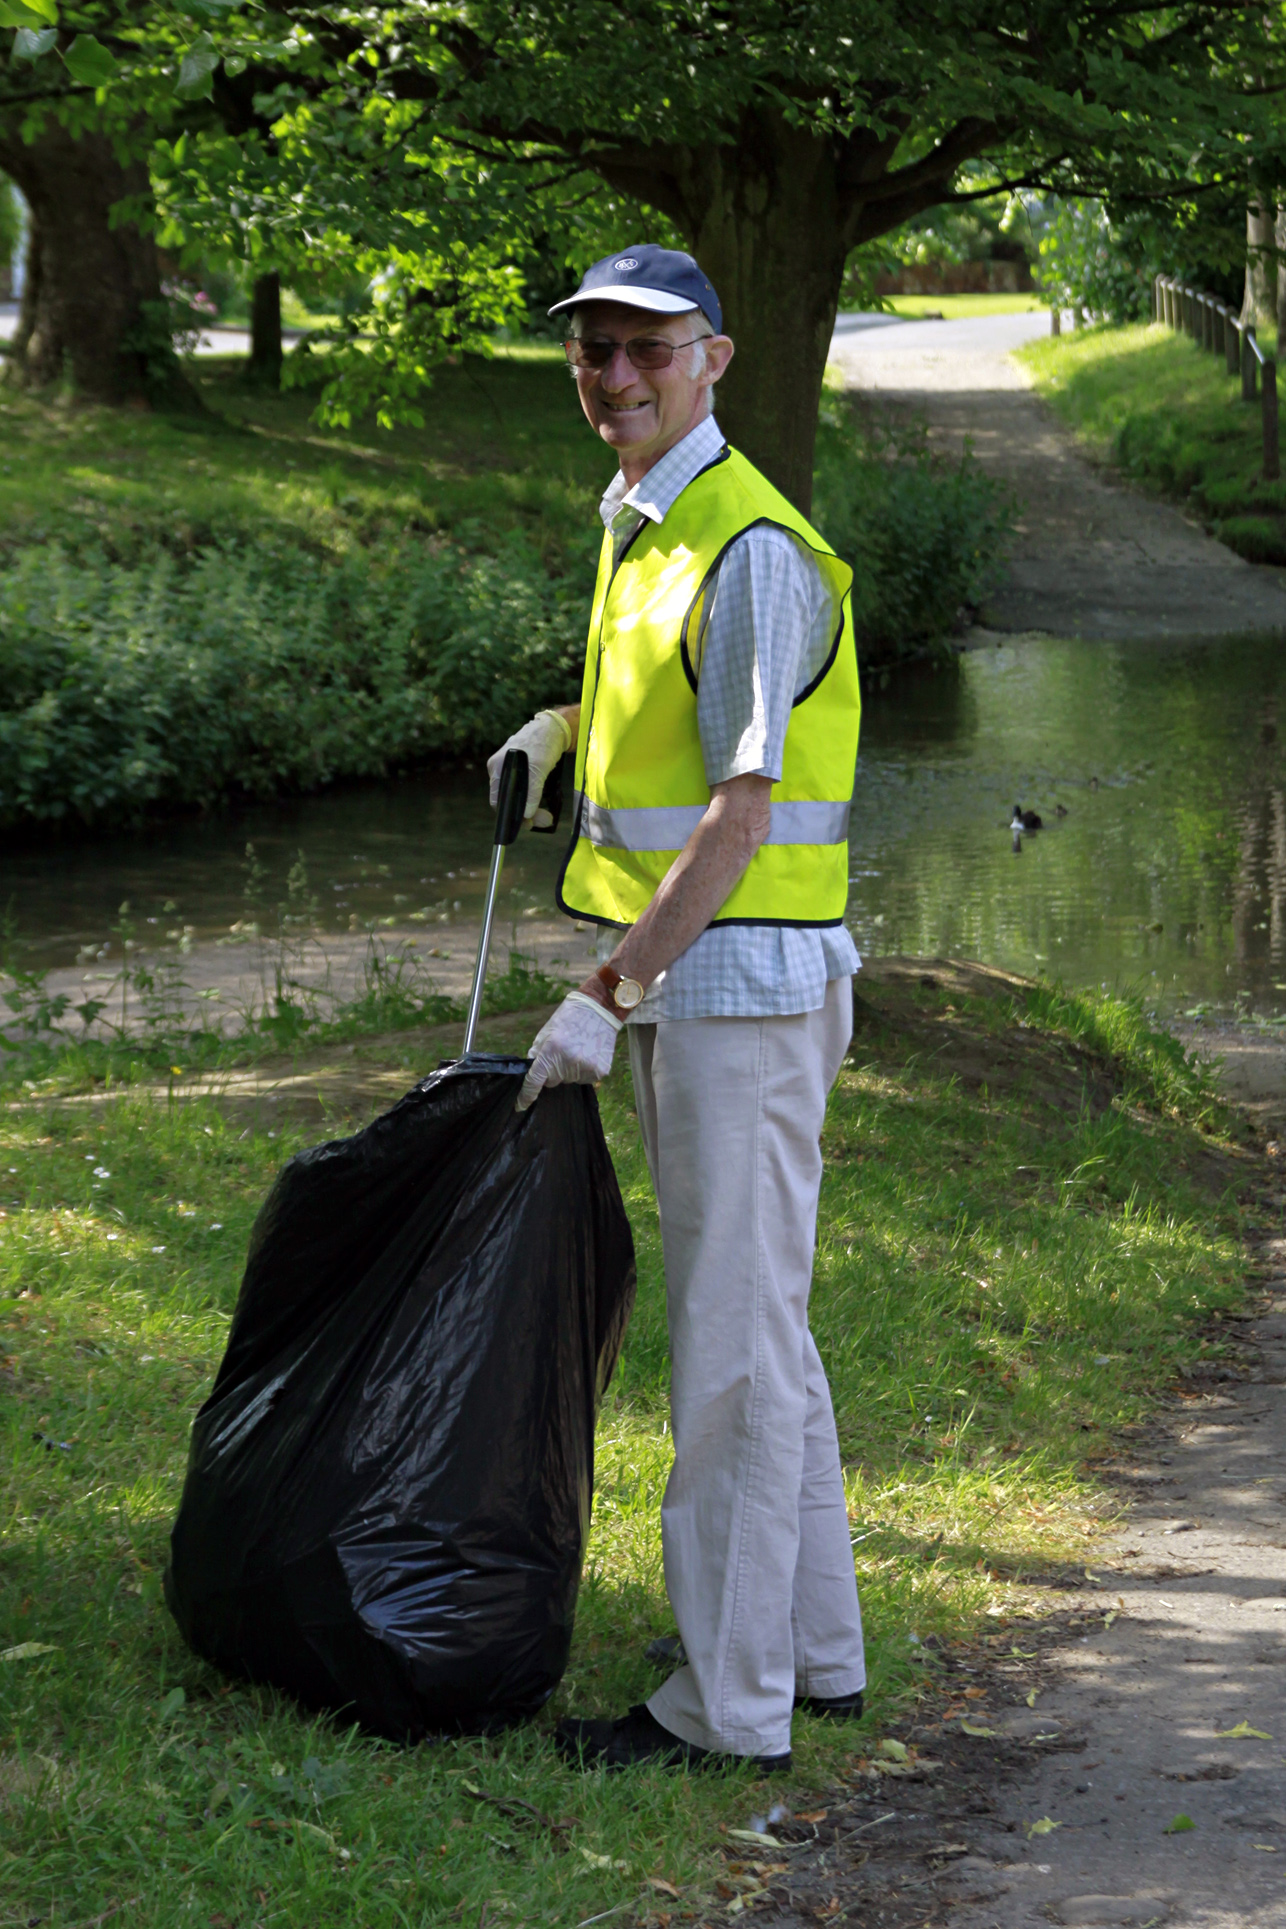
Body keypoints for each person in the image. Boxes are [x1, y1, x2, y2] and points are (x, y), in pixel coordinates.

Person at [486, 244, 866, 1773]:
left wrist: (606, 987)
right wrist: (564, 725)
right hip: (700, 990)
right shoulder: (647, 522)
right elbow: (675, 712)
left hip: (736, 993)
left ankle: (726, 1709)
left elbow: (741, 817)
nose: (617, 377)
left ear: (713, 357)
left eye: (647, 350)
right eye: (594, 354)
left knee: (728, 1346)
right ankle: (813, 1655)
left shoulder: (747, 546)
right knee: (759, 1324)